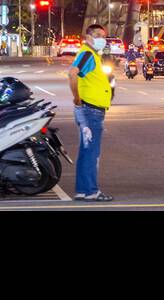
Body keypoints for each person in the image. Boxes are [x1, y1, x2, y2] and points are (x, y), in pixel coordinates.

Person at [67, 24, 114, 201]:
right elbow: (72, 74)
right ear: (88, 37)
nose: (102, 38)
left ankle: (82, 190)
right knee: (91, 153)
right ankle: (91, 191)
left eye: (104, 36)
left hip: (90, 109)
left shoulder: (92, 55)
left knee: (86, 151)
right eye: (97, 35)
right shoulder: (87, 54)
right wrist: (77, 99)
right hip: (90, 110)